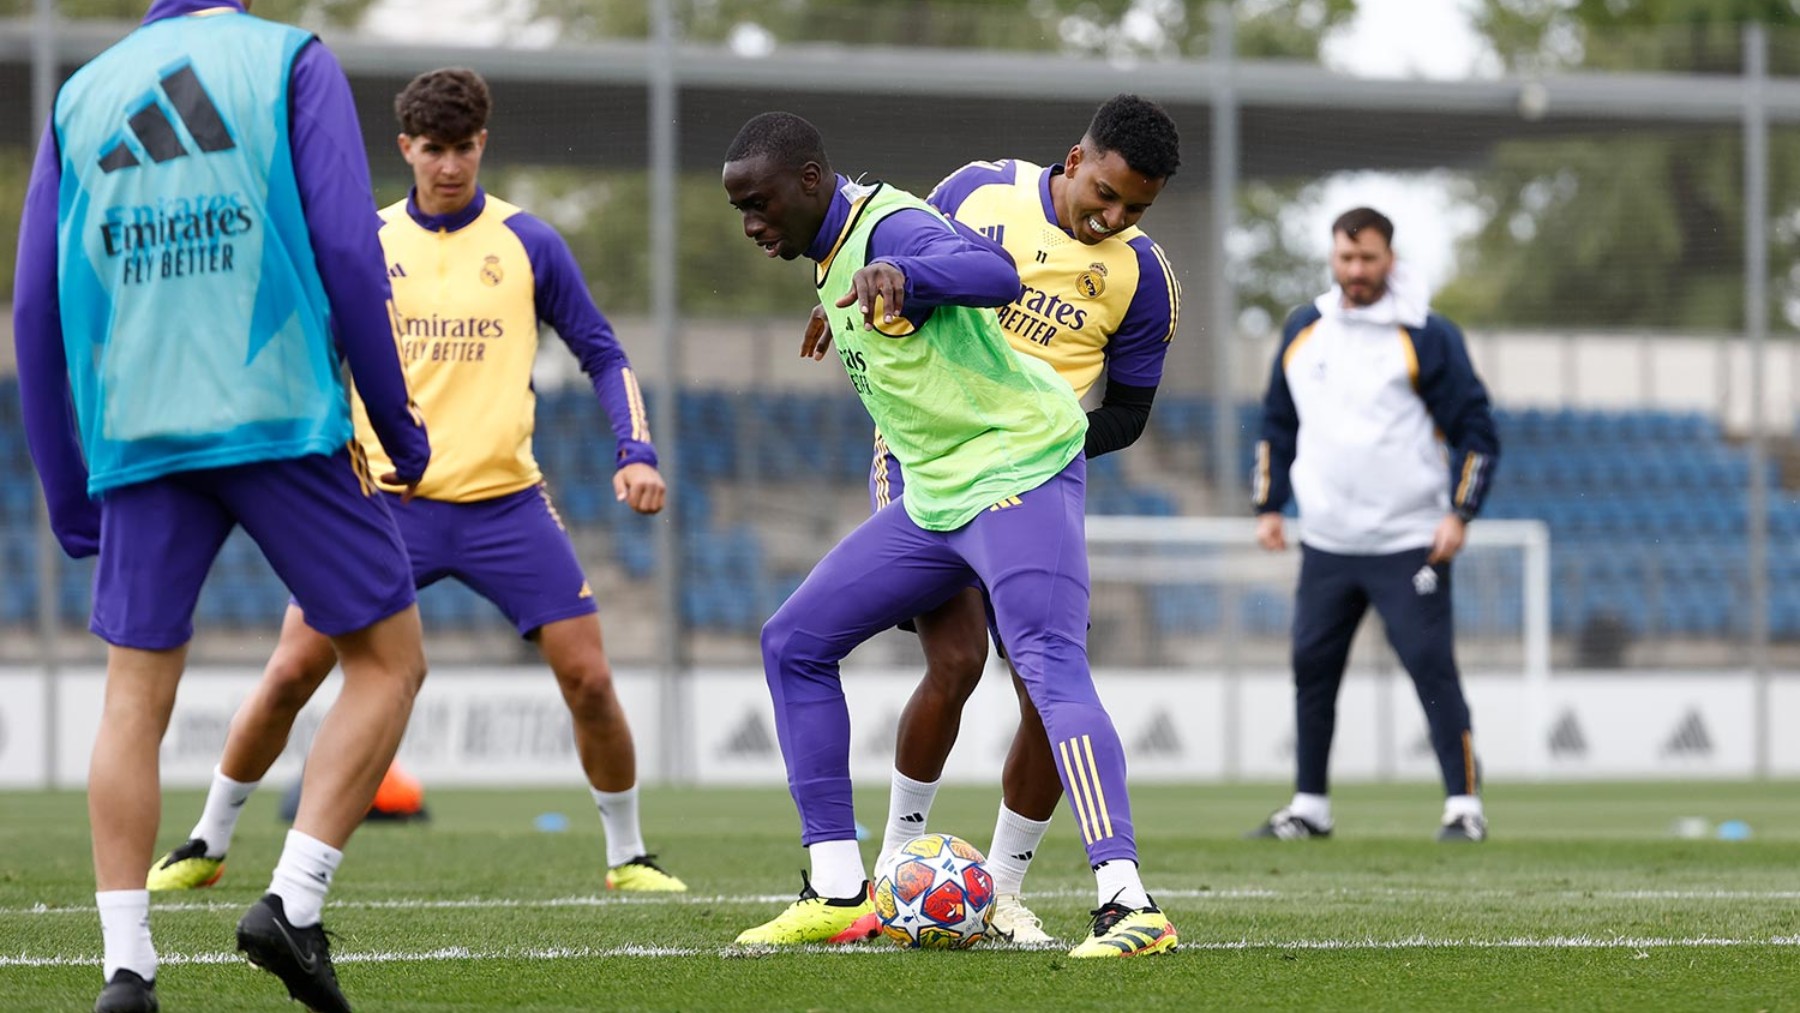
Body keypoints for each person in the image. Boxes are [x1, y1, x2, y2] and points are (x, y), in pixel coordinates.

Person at [145, 66, 686, 906]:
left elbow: (603, 354)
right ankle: (208, 839)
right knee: (292, 671)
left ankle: (629, 854)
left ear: (482, 145)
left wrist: (635, 450)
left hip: (506, 503)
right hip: (381, 504)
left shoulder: (530, 244)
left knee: (589, 678)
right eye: (433, 149)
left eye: (463, 147)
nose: (449, 165)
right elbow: (300, 355)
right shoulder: (363, 241)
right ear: (406, 147)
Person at [13, 2, 433, 1011]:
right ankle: (290, 899)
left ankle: (126, 965)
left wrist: (67, 485)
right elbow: (346, 243)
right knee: (390, 658)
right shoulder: (288, 59)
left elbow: (32, 302)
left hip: (137, 427)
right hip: (276, 409)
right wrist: (395, 419)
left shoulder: (81, 92)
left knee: (131, 698)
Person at [723, 112, 1178, 958]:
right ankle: (835, 887)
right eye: (740, 206)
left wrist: (901, 272)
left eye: (759, 204)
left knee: (1045, 664)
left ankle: (1128, 902)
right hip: (936, 493)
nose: (751, 222)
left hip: (1017, 473)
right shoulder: (839, 245)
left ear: (811, 183)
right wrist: (854, 299)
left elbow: (993, 271)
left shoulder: (886, 224)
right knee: (794, 641)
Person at [1249, 206, 1500, 843]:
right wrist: (1269, 504)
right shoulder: (1305, 328)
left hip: (1408, 540)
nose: (1355, 271)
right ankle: (1310, 807)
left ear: (1390, 258)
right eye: (1345, 258)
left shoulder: (1425, 334)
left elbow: (1476, 430)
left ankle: (1463, 806)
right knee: (1311, 667)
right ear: (1332, 258)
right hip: (1329, 541)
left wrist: (1460, 513)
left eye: (1367, 259)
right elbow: (1278, 421)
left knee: (1429, 665)